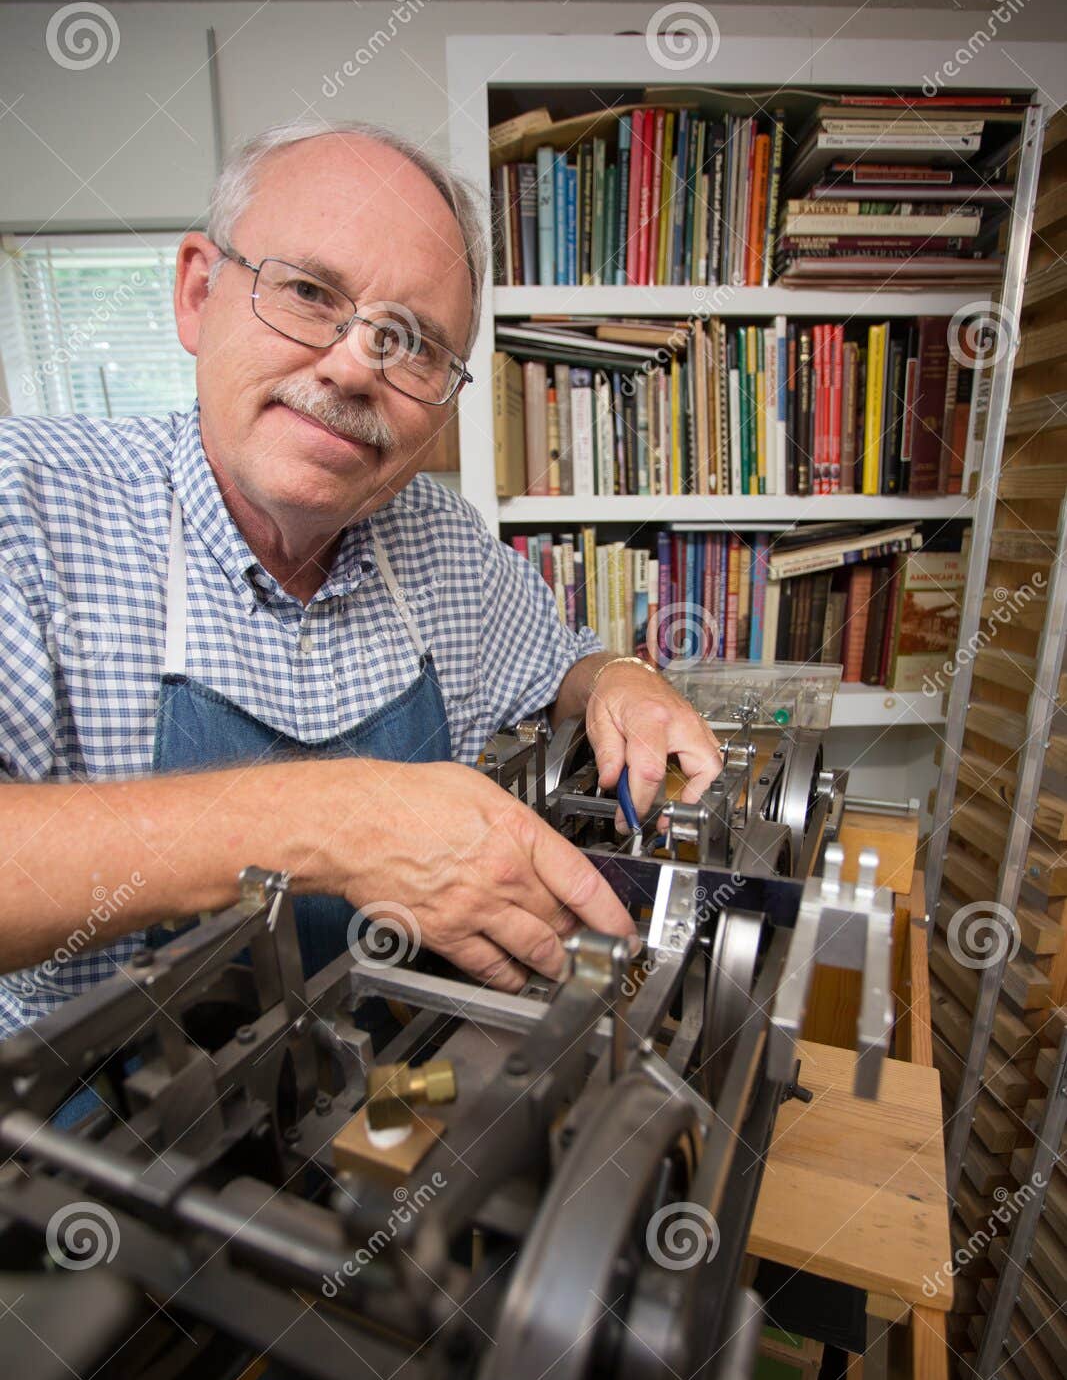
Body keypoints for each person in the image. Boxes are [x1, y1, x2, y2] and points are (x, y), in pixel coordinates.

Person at [0, 120, 722, 1038]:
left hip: (413, 1083)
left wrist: (622, 678)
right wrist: (336, 823)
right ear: (197, 292)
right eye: (308, 293)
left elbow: (564, 670)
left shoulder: (440, 541)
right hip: (91, 1117)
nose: (352, 367)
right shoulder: (23, 505)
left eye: (412, 343)